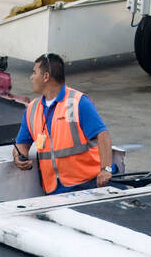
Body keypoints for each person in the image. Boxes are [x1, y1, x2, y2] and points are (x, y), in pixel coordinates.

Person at [12, 53, 115, 194]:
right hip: (55, 190)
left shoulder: (78, 102)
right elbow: (22, 143)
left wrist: (105, 170)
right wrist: (19, 156)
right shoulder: (32, 109)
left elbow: (102, 135)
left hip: (87, 184)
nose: (31, 77)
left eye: (34, 72)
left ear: (46, 76)